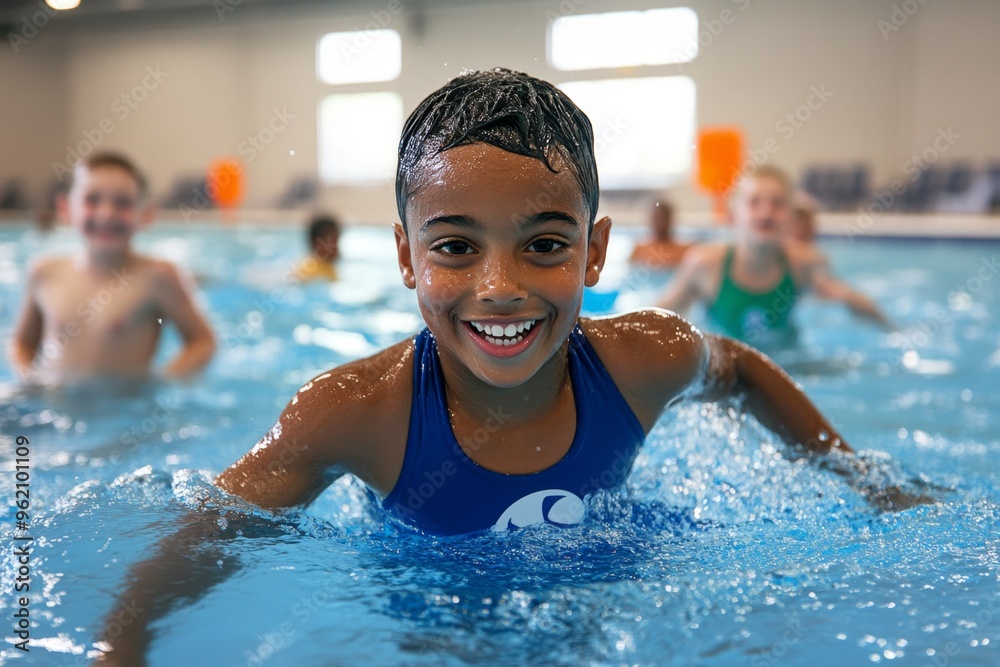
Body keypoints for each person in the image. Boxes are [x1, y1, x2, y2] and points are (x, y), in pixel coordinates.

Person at [94, 70, 928, 665]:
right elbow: (208, 536)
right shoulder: (355, 412)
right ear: (406, 257)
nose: (501, 289)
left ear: (595, 251)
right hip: (431, 622)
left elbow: (739, 368)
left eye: (545, 245)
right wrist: (122, 640)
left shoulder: (639, 359)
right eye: (456, 247)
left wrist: (859, 473)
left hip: (609, 587)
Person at [8, 152, 216, 384]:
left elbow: (202, 341)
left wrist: (164, 382)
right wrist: (28, 376)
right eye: (92, 200)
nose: (106, 214)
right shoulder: (44, 273)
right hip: (55, 404)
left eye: (123, 203)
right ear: (66, 208)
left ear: (146, 214)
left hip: (122, 412)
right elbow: (22, 342)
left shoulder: (157, 277)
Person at [656, 165, 892, 345]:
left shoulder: (805, 263)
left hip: (786, 359)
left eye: (777, 203)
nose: (766, 212)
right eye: (754, 202)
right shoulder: (705, 264)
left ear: (791, 217)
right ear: (733, 215)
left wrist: (893, 331)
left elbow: (848, 299)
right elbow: (660, 314)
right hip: (722, 361)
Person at [628, 198, 691, 269]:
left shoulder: (684, 250)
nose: (660, 222)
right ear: (651, 219)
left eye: (663, 217)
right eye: (656, 218)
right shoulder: (639, 250)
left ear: (670, 219)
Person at [292, 213, 341, 282]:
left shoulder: (326, 266)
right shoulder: (309, 271)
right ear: (318, 244)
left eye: (337, 241)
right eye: (333, 242)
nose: (337, 247)